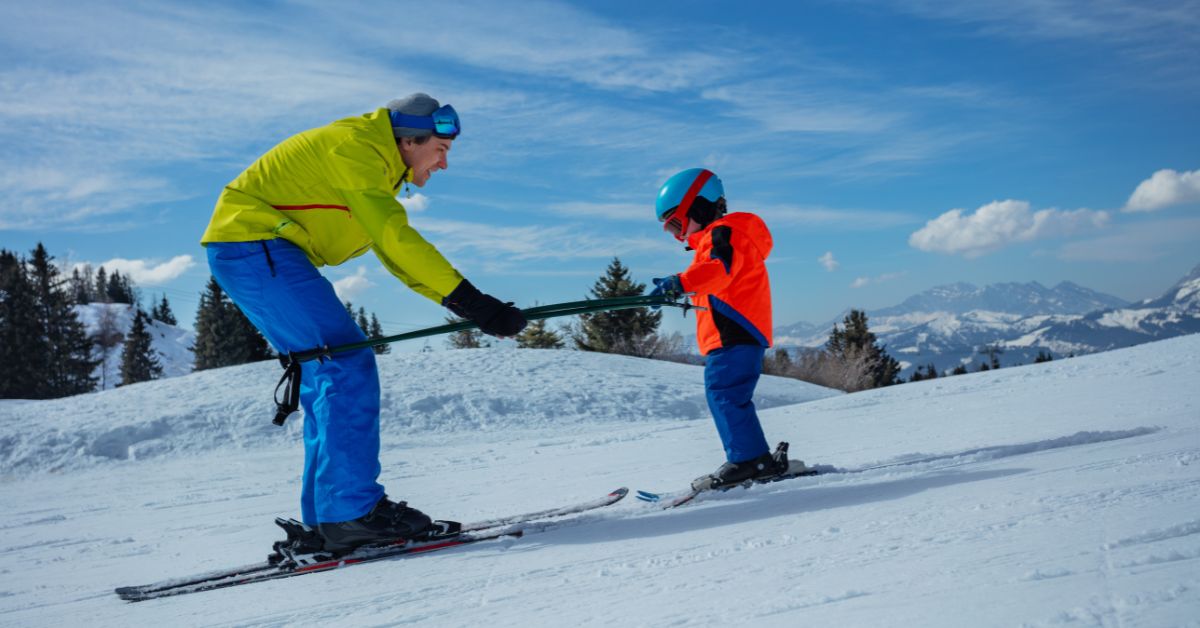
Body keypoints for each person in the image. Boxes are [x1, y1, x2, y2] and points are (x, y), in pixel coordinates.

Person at [201, 93, 527, 552]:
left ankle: (328, 516)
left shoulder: (372, 161)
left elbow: (393, 256)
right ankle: (350, 513)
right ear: (410, 139)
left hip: (252, 251)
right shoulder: (356, 150)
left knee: (331, 368)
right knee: (344, 364)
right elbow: (395, 237)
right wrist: (473, 300)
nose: (444, 164)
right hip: (255, 247)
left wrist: (466, 306)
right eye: (441, 149)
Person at [648, 168, 804, 491]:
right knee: (725, 393)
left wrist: (681, 282)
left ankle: (749, 460)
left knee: (724, 392)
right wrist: (683, 289)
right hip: (734, 334)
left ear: (699, 206)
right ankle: (751, 458)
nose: (677, 236)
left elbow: (720, 270)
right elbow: (715, 278)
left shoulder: (724, 233)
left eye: (676, 224)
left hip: (735, 332)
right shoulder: (716, 238)